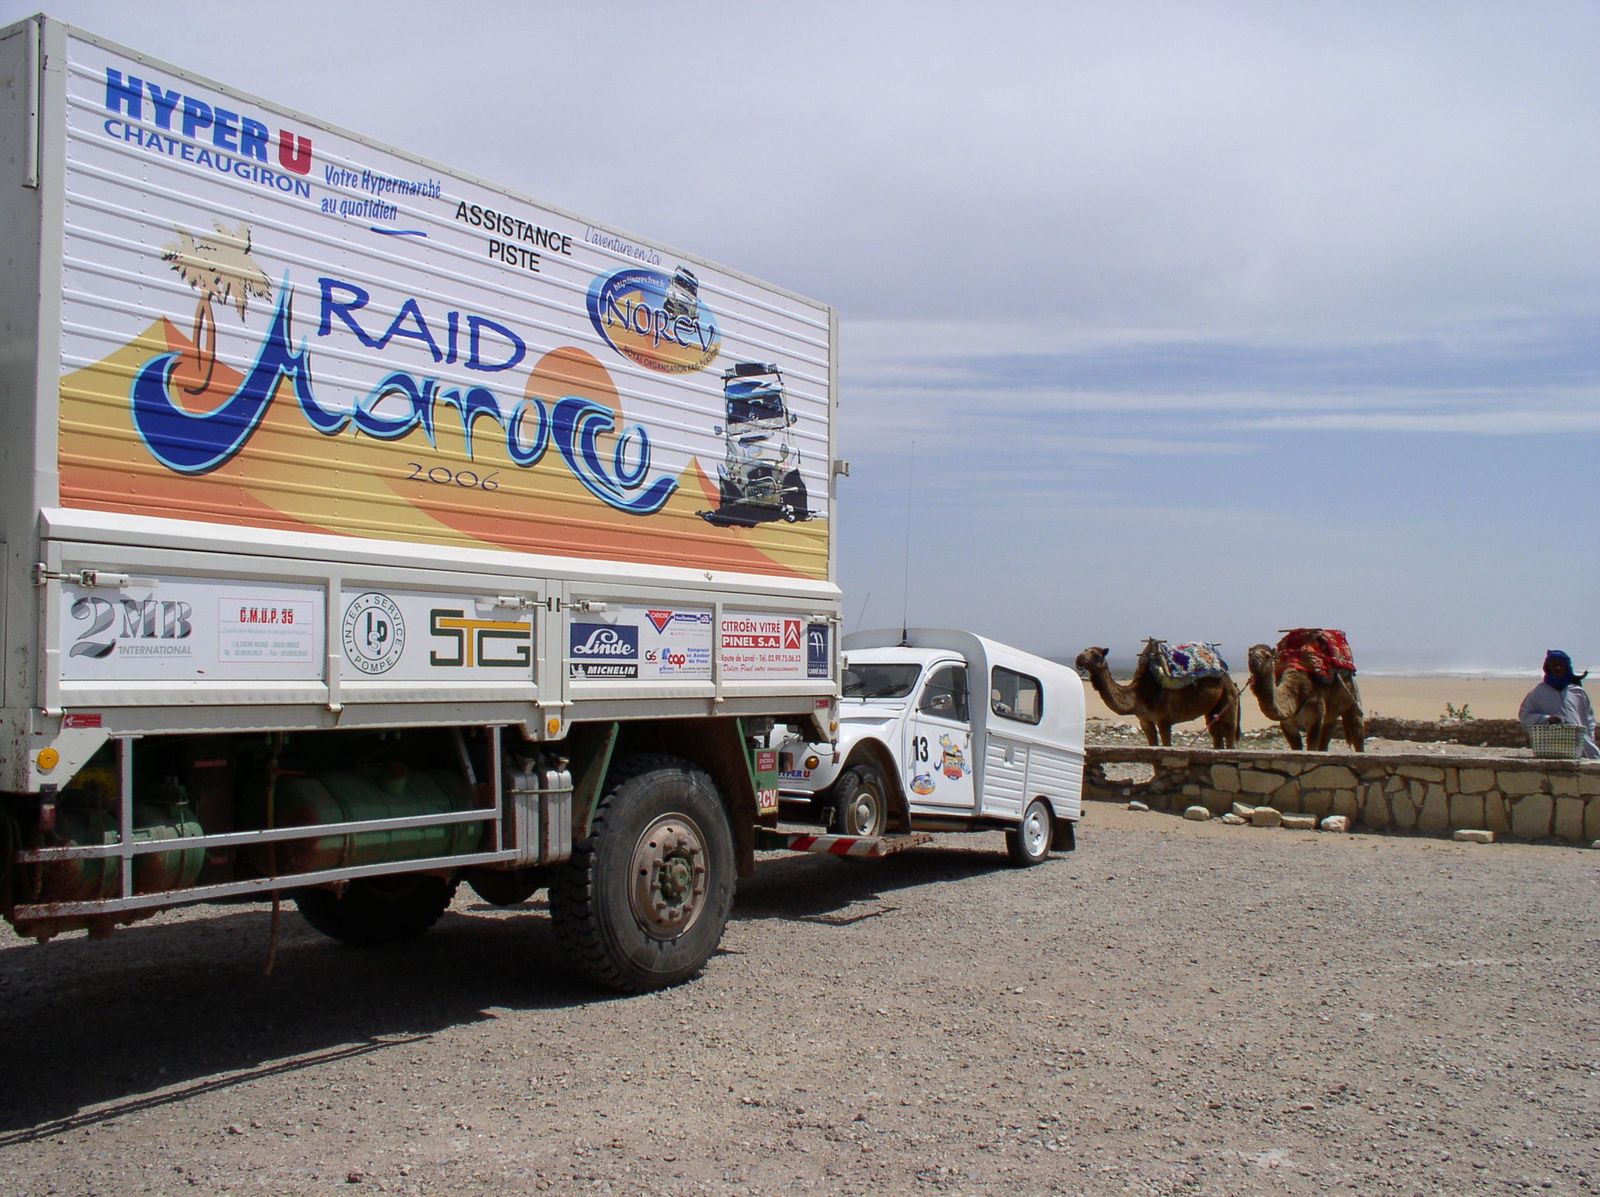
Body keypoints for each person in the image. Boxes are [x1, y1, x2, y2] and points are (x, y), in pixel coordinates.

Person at [1518, 650, 1599, 760]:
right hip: (1554, 749)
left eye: (1561, 665)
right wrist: (1546, 719)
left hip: (1584, 747)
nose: (1558, 668)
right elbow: (1525, 716)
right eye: (1554, 665)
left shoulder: (1578, 692)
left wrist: (1590, 738)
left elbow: (1589, 719)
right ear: (1548, 668)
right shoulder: (1538, 693)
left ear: (1566, 667)